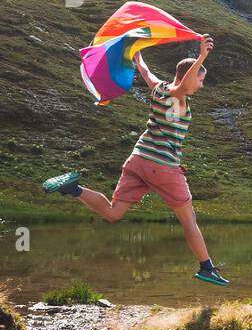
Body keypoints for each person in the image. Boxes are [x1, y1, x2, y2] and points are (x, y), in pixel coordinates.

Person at [42, 35, 229, 286]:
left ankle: (74, 189)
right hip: (163, 168)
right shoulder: (178, 96)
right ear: (189, 76)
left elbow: (146, 71)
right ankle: (207, 267)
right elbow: (183, 87)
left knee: (113, 213)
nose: (201, 85)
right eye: (201, 79)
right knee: (188, 219)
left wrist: (135, 53)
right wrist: (203, 56)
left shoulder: (159, 88)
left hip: (138, 160)